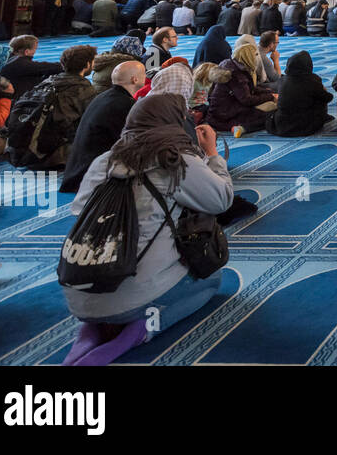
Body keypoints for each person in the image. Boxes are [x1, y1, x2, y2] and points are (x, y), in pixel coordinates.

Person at [60, 94, 232, 366]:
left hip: (80, 290)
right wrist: (211, 155)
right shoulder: (175, 161)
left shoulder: (104, 160)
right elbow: (221, 199)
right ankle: (142, 330)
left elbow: (79, 211)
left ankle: (95, 329)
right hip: (137, 295)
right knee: (212, 281)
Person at [7, 44, 98, 170]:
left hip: (25, 151)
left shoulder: (47, 82)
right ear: (88, 64)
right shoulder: (82, 88)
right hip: (52, 155)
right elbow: (93, 122)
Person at [60, 60, 145, 193]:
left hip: (77, 167)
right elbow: (132, 143)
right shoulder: (123, 104)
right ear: (135, 79)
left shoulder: (105, 97)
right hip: (88, 176)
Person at [204, 41, 277, 134]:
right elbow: (247, 100)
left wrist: (268, 93)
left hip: (219, 112)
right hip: (227, 116)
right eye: (255, 55)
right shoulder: (236, 75)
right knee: (270, 115)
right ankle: (243, 128)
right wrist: (269, 97)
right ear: (248, 57)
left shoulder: (229, 65)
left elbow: (249, 88)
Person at [266, 52, 333, 137]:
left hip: (282, 125)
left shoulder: (283, 80)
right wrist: (323, 89)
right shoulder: (312, 81)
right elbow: (328, 98)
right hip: (305, 126)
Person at [0, 35, 63, 103]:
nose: (35, 51)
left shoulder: (7, 59)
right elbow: (48, 67)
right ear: (27, 51)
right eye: (35, 49)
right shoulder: (20, 63)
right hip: (18, 100)